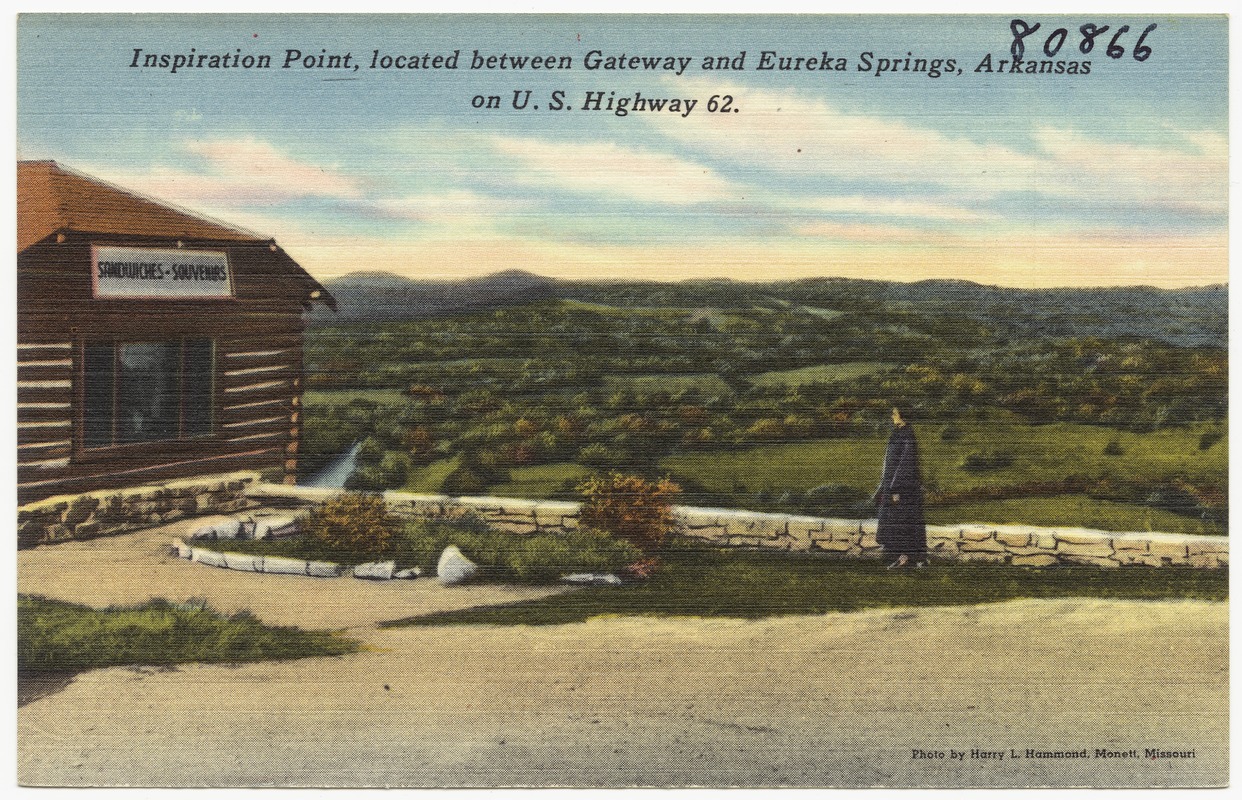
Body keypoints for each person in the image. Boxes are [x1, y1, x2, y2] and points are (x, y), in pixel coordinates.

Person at [874, 404, 928, 569]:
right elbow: (889, 463)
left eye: (895, 413)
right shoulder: (897, 433)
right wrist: (883, 487)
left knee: (905, 522)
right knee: (894, 522)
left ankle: (908, 558)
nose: (892, 416)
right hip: (891, 486)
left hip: (904, 489)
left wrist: (897, 489)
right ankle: (900, 556)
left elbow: (906, 464)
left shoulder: (908, 435)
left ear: (902, 415)